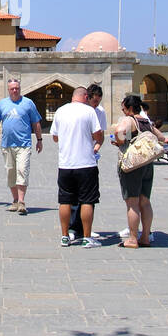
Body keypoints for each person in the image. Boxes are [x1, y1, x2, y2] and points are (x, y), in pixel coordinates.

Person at [51, 87, 105, 247]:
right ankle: (87, 237)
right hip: (86, 163)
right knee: (88, 201)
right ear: (86, 96)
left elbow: (55, 137)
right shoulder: (89, 112)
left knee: (65, 201)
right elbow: (98, 135)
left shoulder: (60, 111)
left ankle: (65, 236)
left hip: (66, 164)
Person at [114, 94, 168, 248]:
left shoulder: (129, 120)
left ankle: (132, 238)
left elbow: (119, 130)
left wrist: (118, 141)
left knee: (132, 203)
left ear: (130, 108)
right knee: (145, 201)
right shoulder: (146, 122)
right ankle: (145, 236)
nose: (123, 111)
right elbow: (162, 137)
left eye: (124, 108)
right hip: (147, 164)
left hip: (132, 166)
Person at [0, 78, 42, 215]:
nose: (15, 90)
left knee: (22, 170)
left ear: (20, 88)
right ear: (8, 90)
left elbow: (36, 123)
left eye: (17, 88)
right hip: (7, 145)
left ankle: (22, 201)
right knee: (10, 173)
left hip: (24, 144)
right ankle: (15, 200)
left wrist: (39, 139)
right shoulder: (2, 104)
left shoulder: (28, 103)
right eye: (12, 88)